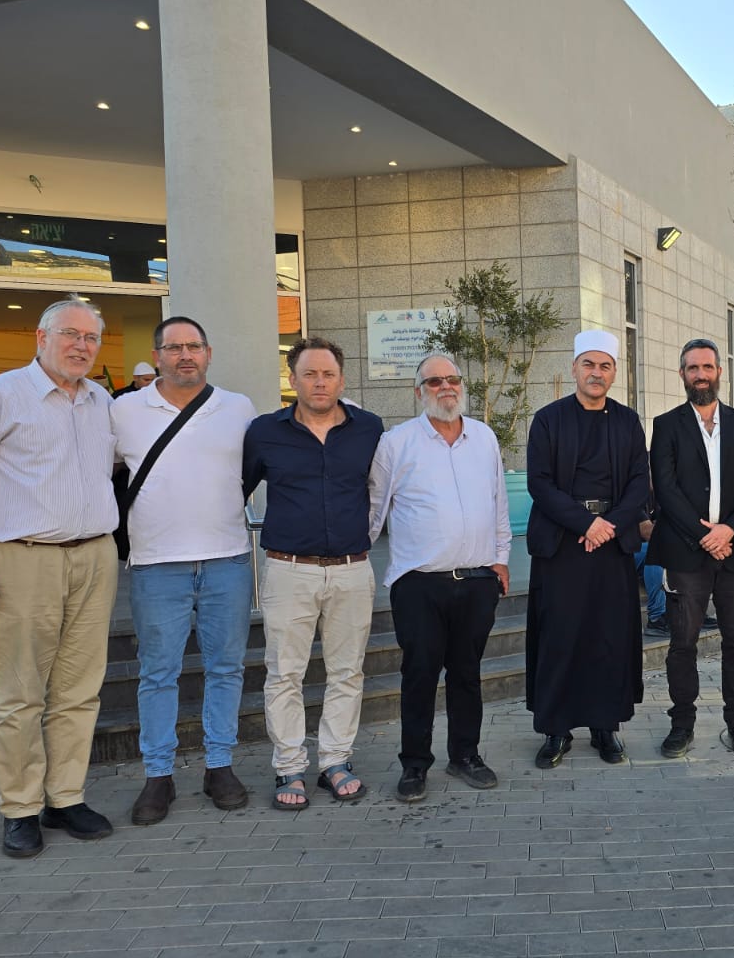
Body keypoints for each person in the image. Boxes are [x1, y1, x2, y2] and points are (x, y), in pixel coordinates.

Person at [0, 295, 119, 858]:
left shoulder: (100, 401)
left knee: (78, 689)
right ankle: (20, 807)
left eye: (90, 338)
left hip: (93, 557)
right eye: (71, 334)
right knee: (18, 693)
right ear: (40, 337)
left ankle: (66, 796)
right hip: (18, 560)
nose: (81, 346)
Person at [112, 316, 257, 825]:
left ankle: (220, 765)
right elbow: (101, 473)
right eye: (173, 347)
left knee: (226, 668)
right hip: (155, 565)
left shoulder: (237, 408)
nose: (184, 355)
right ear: (157, 356)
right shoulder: (123, 410)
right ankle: (158, 775)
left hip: (227, 560)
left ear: (209, 352)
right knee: (158, 674)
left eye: (194, 345)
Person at [242, 336, 382, 810]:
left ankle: (335, 761)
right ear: (293, 379)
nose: (319, 382)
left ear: (342, 380)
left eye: (327, 374)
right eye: (309, 374)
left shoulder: (369, 429)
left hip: (351, 571)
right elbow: (237, 489)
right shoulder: (264, 432)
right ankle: (288, 766)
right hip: (288, 571)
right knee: (284, 674)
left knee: (347, 672)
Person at [368, 354, 509, 803]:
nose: (445, 387)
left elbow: (498, 502)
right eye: (434, 381)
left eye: (452, 379)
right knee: (420, 673)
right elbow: (375, 508)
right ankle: (414, 764)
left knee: (467, 673)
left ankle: (465, 754)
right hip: (419, 583)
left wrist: (501, 559)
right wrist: (353, 557)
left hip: (476, 580)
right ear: (418, 392)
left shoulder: (483, 437)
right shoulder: (396, 443)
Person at [524, 330, 649, 768]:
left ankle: (605, 726)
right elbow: (538, 482)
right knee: (561, 636)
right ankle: (555, 730)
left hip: (611, 545)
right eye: (589, 365)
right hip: (563, 543)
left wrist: (608, 525)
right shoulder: (547, 419)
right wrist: (585, 523)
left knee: (609, 637)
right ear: (575, 368)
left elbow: (639, 483)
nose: (597, 373)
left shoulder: (628, 421)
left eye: (605, 366)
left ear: (614, 372)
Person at [648, 336, 734, 758]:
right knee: (683, 643)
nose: (701, 375)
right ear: (682, 374)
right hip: (685, 552)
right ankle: (682, 724)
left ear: (720, 372)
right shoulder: (665, 426)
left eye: (707, 367)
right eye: (692, 368)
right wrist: (704, 536)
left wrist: (728, 531)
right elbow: (665, 489)